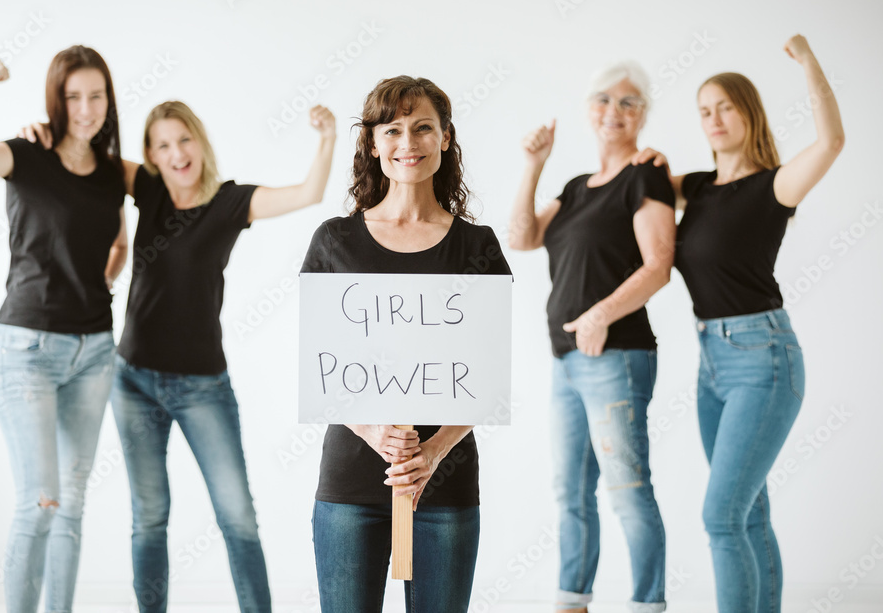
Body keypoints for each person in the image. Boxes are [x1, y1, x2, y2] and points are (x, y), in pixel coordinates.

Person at [24, 100, 336, 612]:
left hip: (203, 386)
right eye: (163, 145)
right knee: (149, 517)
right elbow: (82, 153)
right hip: (134, 381)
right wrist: (43, 134)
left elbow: (308, 193)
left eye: (184, 139)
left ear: (201, 141)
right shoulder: (147, 188)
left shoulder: (230, 202)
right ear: (150, 155)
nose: (177, 153)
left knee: (237, 517)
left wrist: (325, 140)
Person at [300, 76, 511, 613]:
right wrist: (375, 434)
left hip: (447, 482)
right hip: (350, 483)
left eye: (423, 128)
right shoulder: (334, 241)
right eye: (392, 130)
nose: (408, 143)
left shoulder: (477, 246)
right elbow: (320, 363)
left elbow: (488, 375)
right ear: (374, 143)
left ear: (445, 139)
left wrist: (432, 451)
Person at [0, 46, 129, 613]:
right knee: (40, 502)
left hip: (94, 351)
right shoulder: (27, 154)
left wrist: (103, 282)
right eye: (74, 97)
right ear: (56, 101)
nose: (87, 108)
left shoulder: (113, 173)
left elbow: (118, 243)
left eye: (97, 96)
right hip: (27, 349)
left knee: (71, 506)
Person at [672, 34, 844, 613]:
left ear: (748, 113)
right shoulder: (694, 188)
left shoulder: (775, 185)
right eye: (703, 110)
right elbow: (633, 190)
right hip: (710, 364)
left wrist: (809, 63)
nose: (713, 119)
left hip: (763, 359)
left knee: (721, 517)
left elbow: (832, 141)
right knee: (750, 513)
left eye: (724, 106)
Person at [508, 62, 675, 613]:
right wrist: (533, 165)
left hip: (616, 356)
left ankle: (648, 605)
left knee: (627, 492)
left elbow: (658, 264)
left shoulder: (645, 177)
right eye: (603, 99)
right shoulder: (577, 189)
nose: (614, 110)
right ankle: (571, 601)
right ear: (588, 110)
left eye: (629, 102)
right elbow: (522, 237)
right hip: (565, 360)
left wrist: (601, 315)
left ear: (643, 115)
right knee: (570, 494)